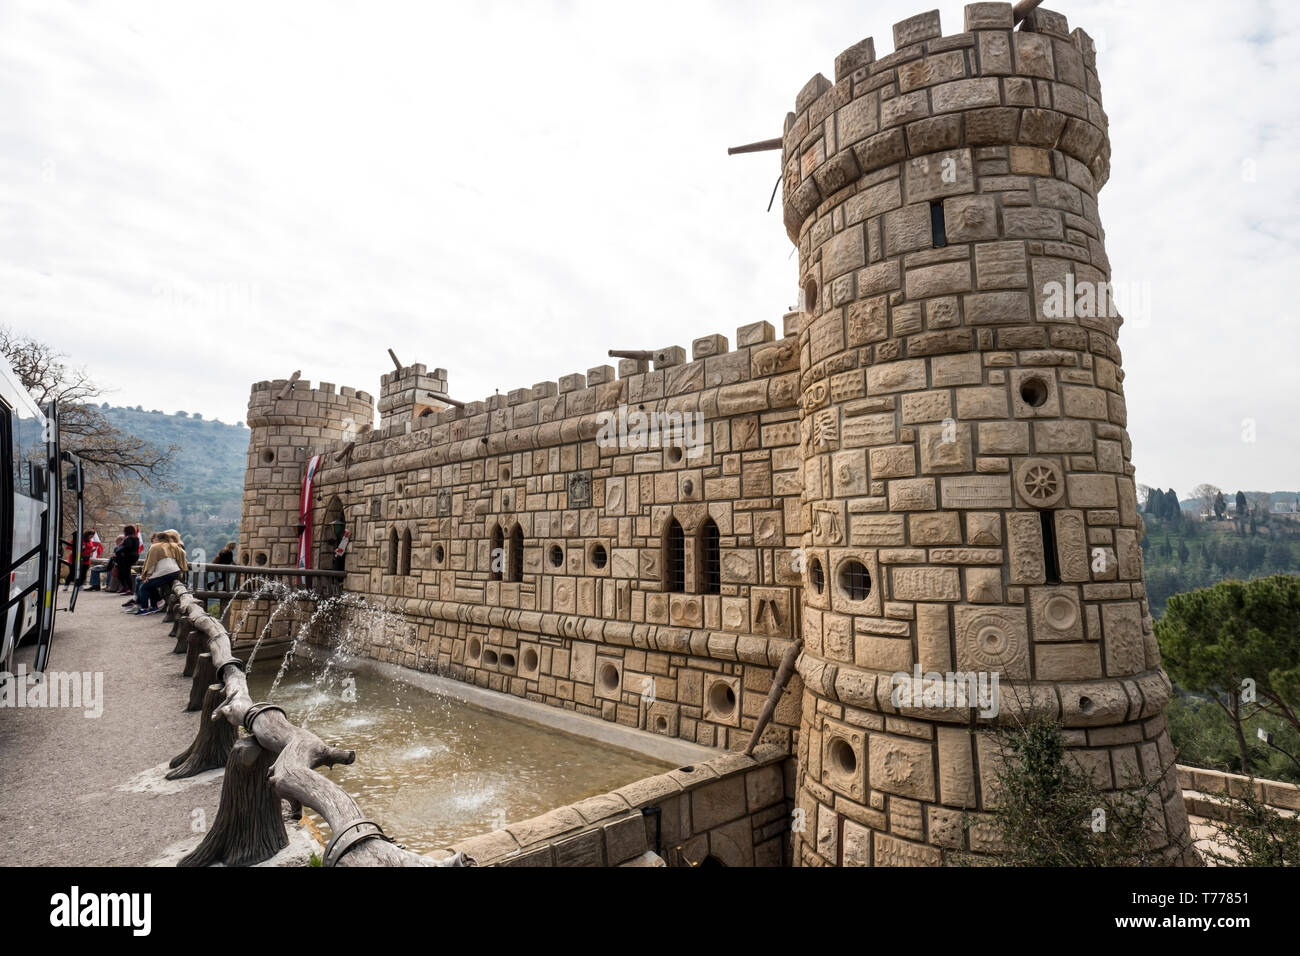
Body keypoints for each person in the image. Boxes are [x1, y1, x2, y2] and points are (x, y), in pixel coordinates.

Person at [133, 530, 188, 615]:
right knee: (151, 586)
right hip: (175, 572)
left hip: (164, 572)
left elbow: (152, 563)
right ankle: (155, 605)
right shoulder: (173, 545)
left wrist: (148, 575)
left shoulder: (155, 547)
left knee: (144, 587)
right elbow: (183, 553)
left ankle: (144, 608)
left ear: (158, 539)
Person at [112, 526, 141, 596]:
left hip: (127, 557)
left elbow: (127, 547)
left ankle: (130, 589)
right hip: (133, 556)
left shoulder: (129, 538)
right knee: (122, 572)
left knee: (126, 573)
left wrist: (118, 552)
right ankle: (125, 587)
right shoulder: (136, 538)